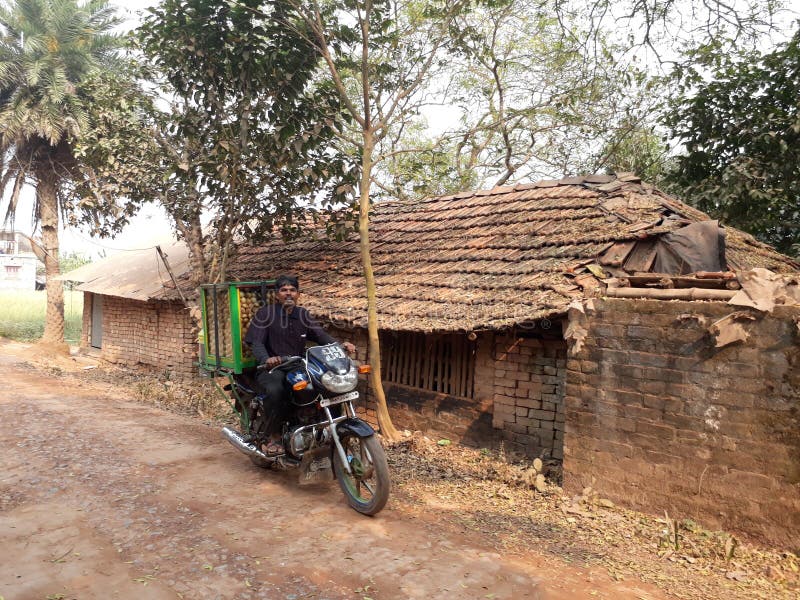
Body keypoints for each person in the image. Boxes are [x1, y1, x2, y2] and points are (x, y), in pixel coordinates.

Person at [243, 275, 356, 454]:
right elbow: (256, 342)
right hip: (273, 368)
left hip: (297, 364)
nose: (288, 293)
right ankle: (273, 436)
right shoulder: (266, 314)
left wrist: (339, 346)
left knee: (325, 385)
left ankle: (325, 426)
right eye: (284, 290)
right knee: (276, 391)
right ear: (277, 294)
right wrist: (266, 359)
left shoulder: (302, 314)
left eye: (292, 290)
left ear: (298, 294)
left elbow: (320, 336)